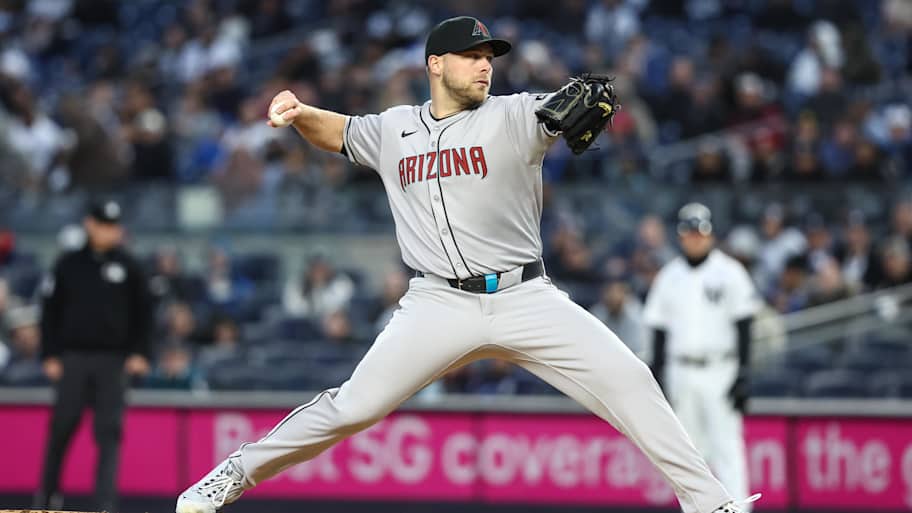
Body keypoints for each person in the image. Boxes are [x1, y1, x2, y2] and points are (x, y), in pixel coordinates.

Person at [176, 18, 757, 513]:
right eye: (472, 56)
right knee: (355, 406)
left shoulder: (513, 115)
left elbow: (553, 114)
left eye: (490, 57)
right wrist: (300, 112)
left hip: (523, 295)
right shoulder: (394, 128)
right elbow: (342, 132)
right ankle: (233, 475)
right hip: (437, 303)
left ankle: (711, 503)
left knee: (628, 379)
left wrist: (568, 109)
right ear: (436, 64)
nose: (485, 66)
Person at [36, 200, 154, 513]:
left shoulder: (130, 266)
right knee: (61, 428)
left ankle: (104, 505)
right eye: (104, 225)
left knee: (109, 432)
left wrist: (140, 352)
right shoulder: (68, 264)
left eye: (114, 226)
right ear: (90, 224)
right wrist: (49, 354)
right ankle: (47, 499)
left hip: (113, 361)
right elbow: (49, 312)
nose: (110, 231)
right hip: (72, 358)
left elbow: (144, 313)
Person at [643, 203, 761, 511]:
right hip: (681, 370)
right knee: (687, 454)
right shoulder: (669, 276)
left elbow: (745, 323)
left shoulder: (730, 271)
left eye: (700, 232)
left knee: (727, 448)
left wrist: (744, 373)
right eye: (689, 233)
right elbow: (658, 329)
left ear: (710, 234)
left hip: (720, 368)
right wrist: (659, 376)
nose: (695, 238)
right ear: (680, 236)